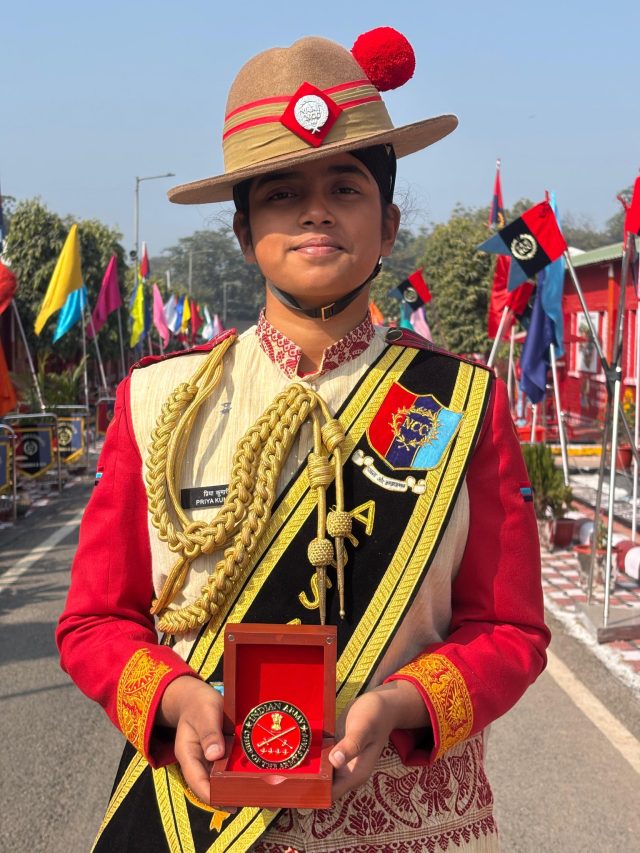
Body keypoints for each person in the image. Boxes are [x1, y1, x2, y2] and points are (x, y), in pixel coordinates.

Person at [57, 27, 550, 853]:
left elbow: (511, 629)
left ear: (388, 225)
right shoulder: (158, 399)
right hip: (200, 821)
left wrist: (401, 705)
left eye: (345, 189)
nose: (316, 210)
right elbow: (95, 620)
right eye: (283, 194)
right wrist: (175, 699)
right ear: (245, 232)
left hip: (412, 823)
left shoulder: (462, 402)